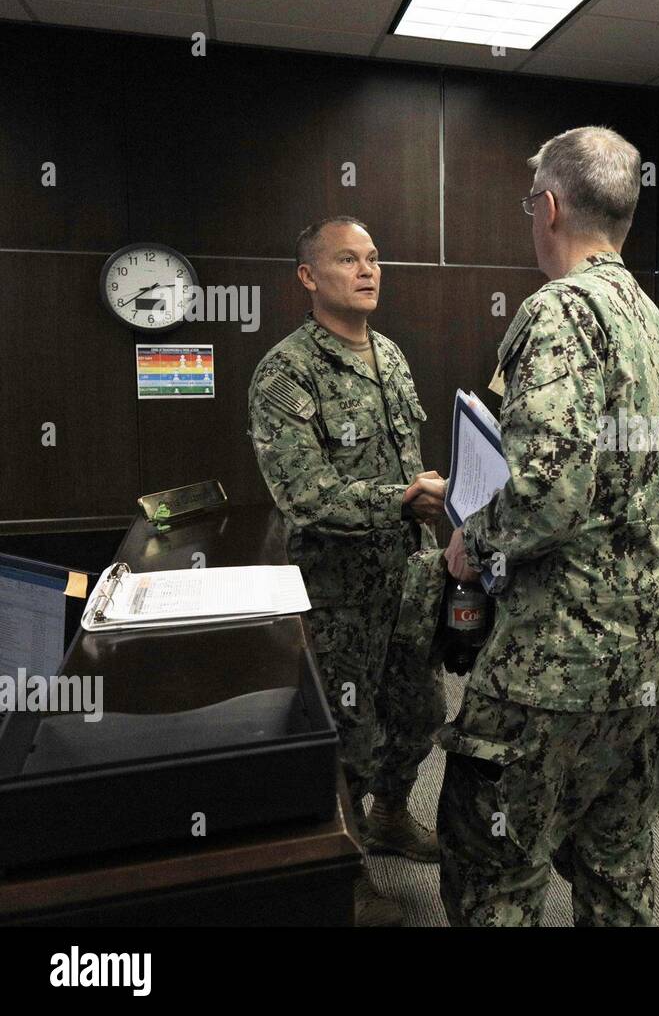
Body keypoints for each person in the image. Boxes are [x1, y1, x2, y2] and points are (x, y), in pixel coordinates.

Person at [434, 126, 659, 926]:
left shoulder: (559, 312)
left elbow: (549, 493)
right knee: (615, 863)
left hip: (559, 665)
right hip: (647, 654)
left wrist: (469, 546)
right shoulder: (652, 319)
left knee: (494, 868)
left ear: (547, 207)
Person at [248, 216, 447, 927]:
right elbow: (304, 495)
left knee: (420, 716)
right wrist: (399, 498)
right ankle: (348, 862)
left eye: (373, 259)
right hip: (337, 599)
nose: (368, 271)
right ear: (308, 276)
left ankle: (392, 815)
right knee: (348, 740)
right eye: (346, 260)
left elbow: (402, 464)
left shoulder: (389, 356)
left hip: (406, 585)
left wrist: (425, 516)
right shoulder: (285, 372)